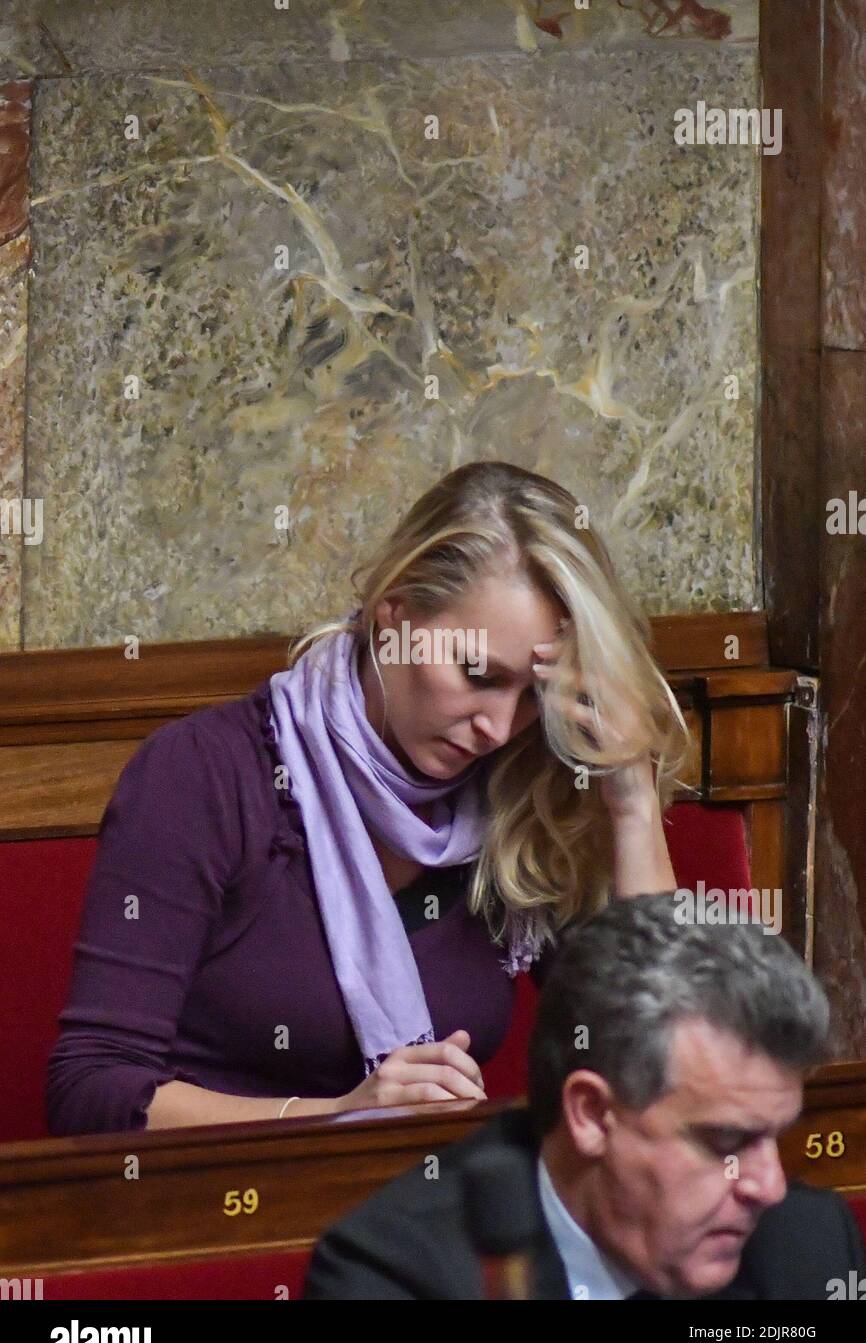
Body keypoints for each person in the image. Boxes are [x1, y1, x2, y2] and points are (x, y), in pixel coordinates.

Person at [47, 461, 689, 1135]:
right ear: (396, 615)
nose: (497, 727)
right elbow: (90, 1092)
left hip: (417, 1218)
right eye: (476, 674)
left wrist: (632, 805)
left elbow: (660, 1064)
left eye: (533, 696)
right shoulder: (206, 774)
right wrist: (336, 1118)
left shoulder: (518, 792)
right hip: (217, 1217)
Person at [303, 892, 866, 1300]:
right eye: (727, 1140)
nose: (768, 1186)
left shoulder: (805, 1246)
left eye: (775, 1135)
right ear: (593, 1115)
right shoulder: (394, 1279)